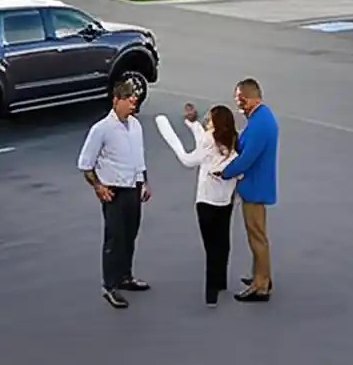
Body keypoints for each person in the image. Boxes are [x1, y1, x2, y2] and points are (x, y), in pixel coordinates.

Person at [154, 103, 239, 307]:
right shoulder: (232, 140)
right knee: (223, 243)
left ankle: (211, 294)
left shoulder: (209, 140)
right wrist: (192, 124)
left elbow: (190, 159)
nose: (205, 122)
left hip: (206, 201)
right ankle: (220, 282)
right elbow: (205, 142)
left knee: (211, 247)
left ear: (216, 123)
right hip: (225, 200)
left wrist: (170, 131)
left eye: (208, 119)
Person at [77, 80, 152, 309]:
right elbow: (85, 164)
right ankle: (109, 285)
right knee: (114, 238)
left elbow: (139, 157)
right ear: (116, 100)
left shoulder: (136, 126)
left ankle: (125, 276)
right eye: (129, 101)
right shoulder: (101, 129)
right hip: (114, 191)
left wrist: (145, 181)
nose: (132, 106)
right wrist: (99, 187)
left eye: (135, 102)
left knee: (130, 234)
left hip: (134, 187)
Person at [216, 78, 278, 302]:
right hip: (256, 185)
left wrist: (224, 172)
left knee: (257, 237)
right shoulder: (261, 118)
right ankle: (259, 275)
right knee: (257, 235)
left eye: (241, 99)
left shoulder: (260, 124)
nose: (239, 104)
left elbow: (247, 158)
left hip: (255, 187)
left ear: (252, 98)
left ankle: (261, 285)